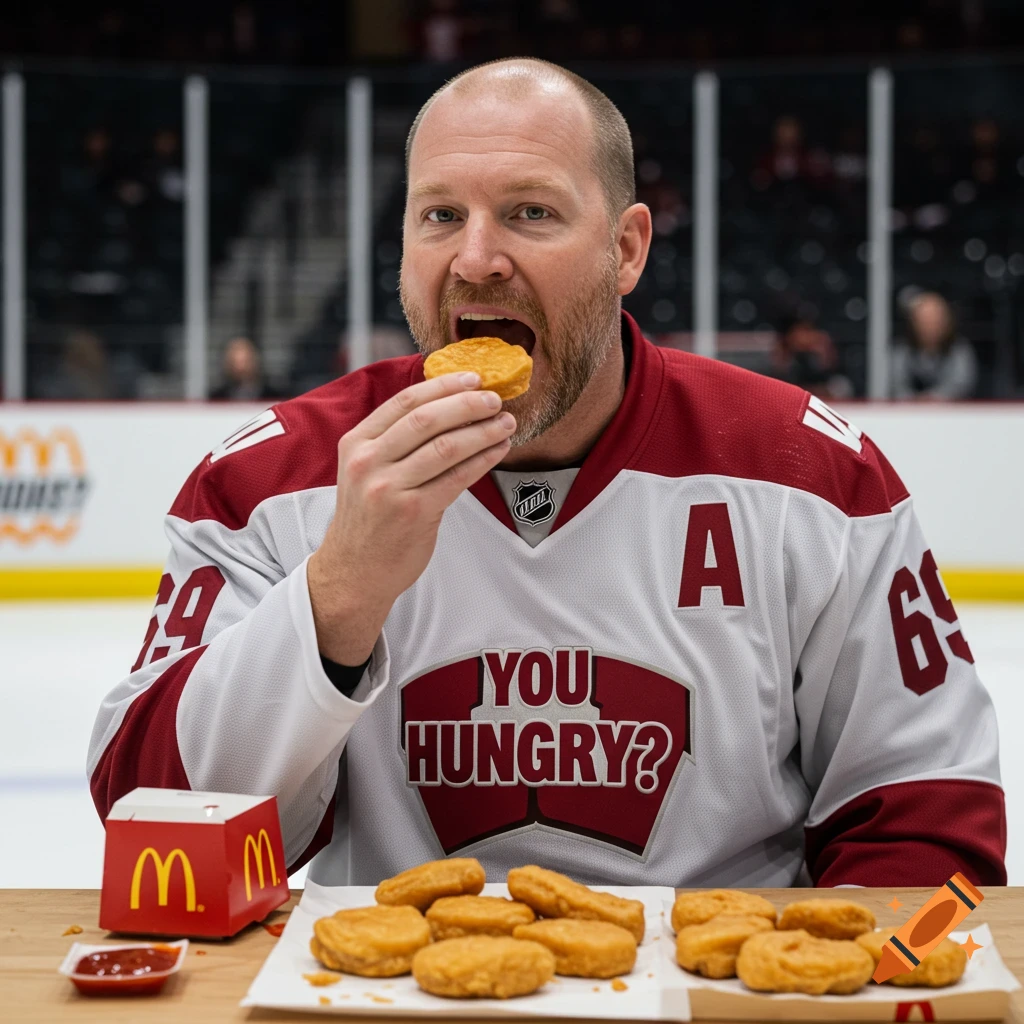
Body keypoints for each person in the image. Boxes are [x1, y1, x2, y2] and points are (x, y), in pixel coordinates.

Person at [88, 59, 1005, 890]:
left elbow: (929, 811)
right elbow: (151, 824)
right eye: (440, 216)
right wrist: (339, 591)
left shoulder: (812, 477)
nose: (476, 259)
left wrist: (821, 981)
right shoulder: (268, 483)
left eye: (531, 212)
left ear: (627, 250)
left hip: (712, 984)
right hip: (387, 983)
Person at [891, 292, 978, 401]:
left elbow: (962, 385)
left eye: (935, 320)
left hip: (951, 410)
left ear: (947, 322)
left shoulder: (960, 351)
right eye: (924, 320)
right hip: (906, 410)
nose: (930, 326)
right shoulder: (901, 351)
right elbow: (895, 384)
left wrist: (934, 398)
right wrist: (914, 401)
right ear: (913, 322)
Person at [210, 336, 281, 401]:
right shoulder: (216, 399)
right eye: (234, 362)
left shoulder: (273, 397)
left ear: (255, 361)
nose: (240, 368)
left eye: (245, 361)